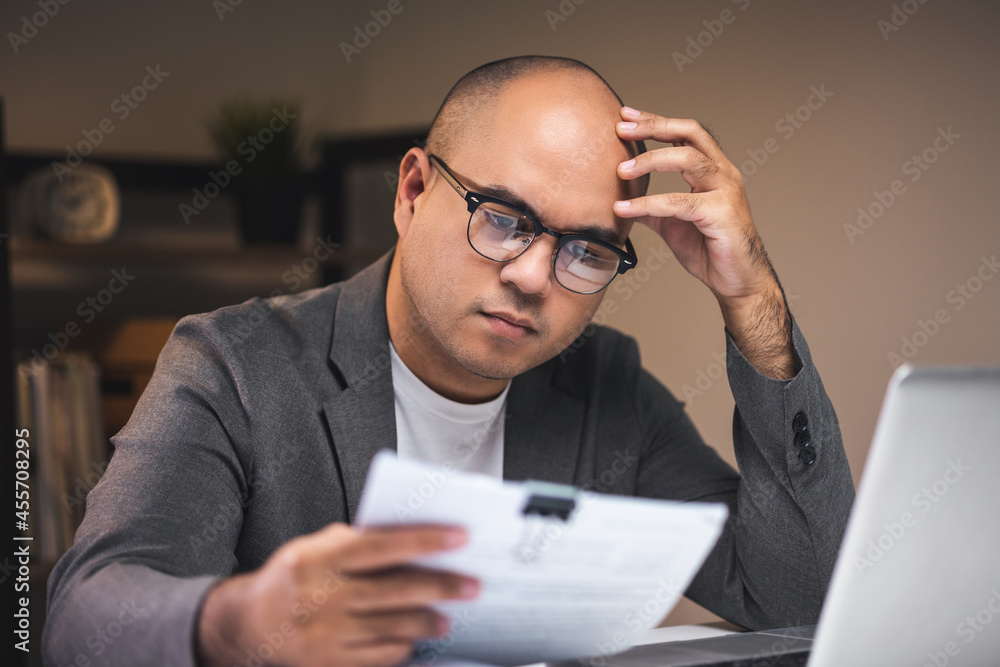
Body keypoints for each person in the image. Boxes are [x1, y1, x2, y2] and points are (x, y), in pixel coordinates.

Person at [43, 56, 854, 667]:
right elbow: (81, 618)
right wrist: (234, 621)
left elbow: (796, 599)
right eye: (503, 218)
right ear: (411, 191)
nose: (534, 276)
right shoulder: (235, 364)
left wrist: (754, 307)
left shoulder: (604, 387)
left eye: (588, 251)